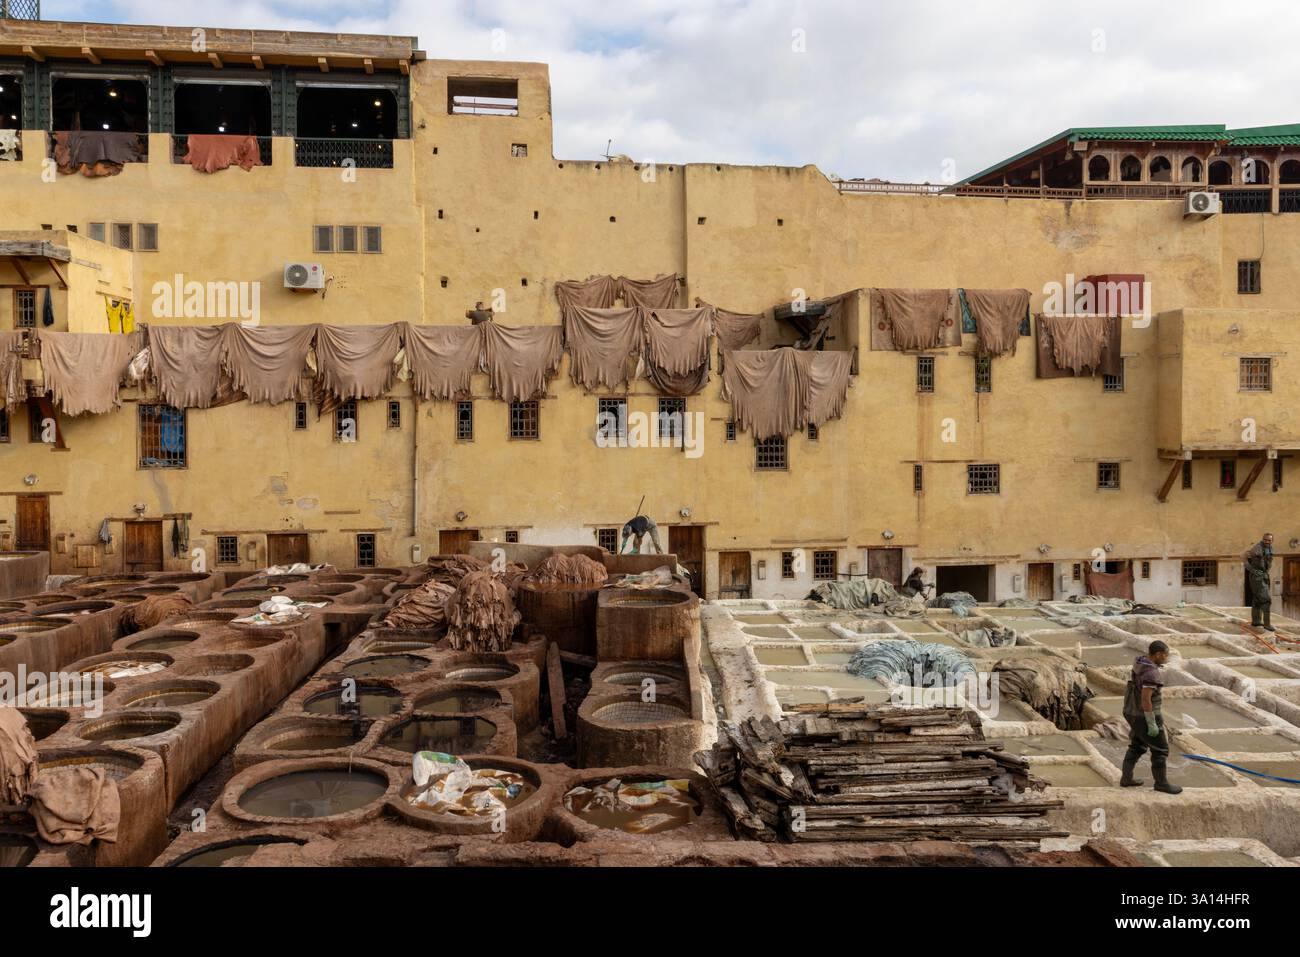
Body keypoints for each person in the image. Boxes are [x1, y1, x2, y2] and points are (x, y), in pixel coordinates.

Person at [1120, 640, 1182, 794]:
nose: (1166, 659)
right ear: (1158, 654)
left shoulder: (1140, 662)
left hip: (1131, 711)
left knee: (1138, 745)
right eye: (1165, 656)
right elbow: (1146, 699)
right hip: (1144, 714)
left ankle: (1126, 778)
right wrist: (1151, 722)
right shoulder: (1151, 673)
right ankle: (1161, 783)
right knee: (1160, 750)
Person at [1243, 533, 1274, 632]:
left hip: (1264, 575)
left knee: (1257, 598)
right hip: (1257, 577)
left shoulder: (1270, 548)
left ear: (1272, 541)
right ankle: (1267, 624)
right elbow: (1243, 557)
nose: (1267, 542)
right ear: (1262, 539)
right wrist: (1253, 571)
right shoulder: (1257, 548)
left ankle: (1256, 621)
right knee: (1266, 600)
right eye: (1265, 540)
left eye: (1269, 540)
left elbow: (1267, 562)